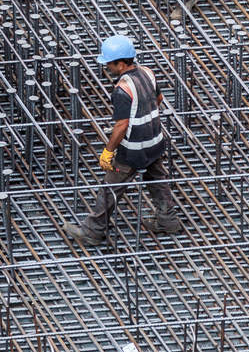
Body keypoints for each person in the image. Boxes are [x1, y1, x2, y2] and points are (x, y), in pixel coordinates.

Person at [62, 35, 179, 246]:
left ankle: (92, 232)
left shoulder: (122, 89)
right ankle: (168, 221)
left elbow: (121, 125)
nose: (107, 67)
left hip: (133, 150)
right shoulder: (147, 73)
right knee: (157, 181)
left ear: (121, 64)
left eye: (110, 63)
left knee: (110, 188)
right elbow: (158, 99)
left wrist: (108, 151)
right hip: (155, 141)